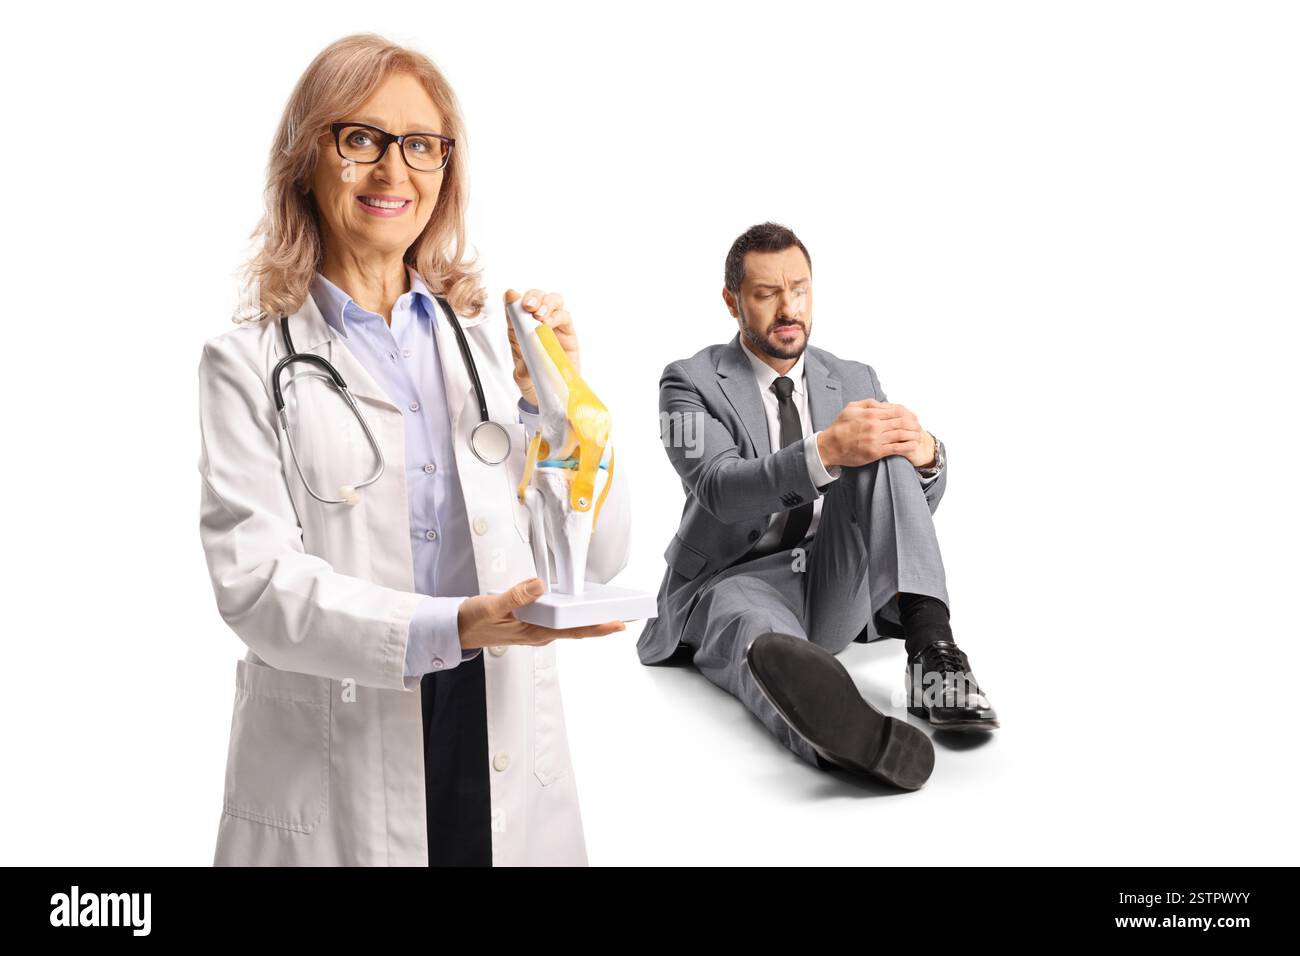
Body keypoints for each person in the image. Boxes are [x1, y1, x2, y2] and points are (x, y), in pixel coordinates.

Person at [196, 33, 630, 866]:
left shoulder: (487, 351)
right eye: (361, 139)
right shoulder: (244, 362)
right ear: (305, 161)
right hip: (343, 727)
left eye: (423, 146)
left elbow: (597, 559)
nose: (395, 171)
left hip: (496, 717)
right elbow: (255, 585)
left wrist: (563, 405)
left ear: (446, 171)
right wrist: (455, 624)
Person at [639, 222, 998, 791]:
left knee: (879, 444)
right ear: (732, 301)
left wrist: (929, 457)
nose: (789, 309)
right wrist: (825, 450)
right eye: (766, 294)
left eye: (800, 290)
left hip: (834, 583)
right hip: (735, 579)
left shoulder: (854, 378)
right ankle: (837, 738)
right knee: (756, 636)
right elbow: (718, 487)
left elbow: (902, 506)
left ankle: (933, 653)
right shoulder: (687, 384)